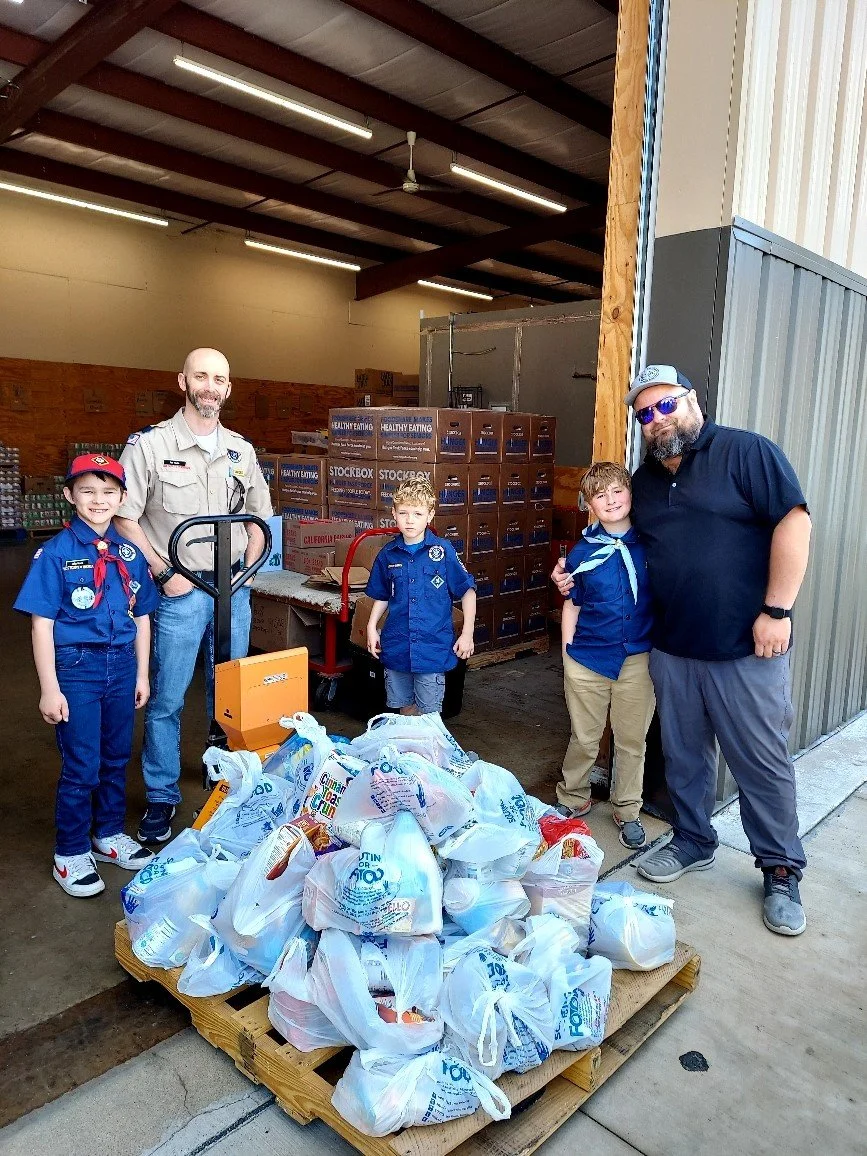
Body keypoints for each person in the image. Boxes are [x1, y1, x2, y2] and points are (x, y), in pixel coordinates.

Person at [553, 364, 812, 936]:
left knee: (760, 760)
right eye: (644, 413)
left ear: (693, 401)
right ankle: (694, 838)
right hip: (669, 649)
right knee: (685, 755)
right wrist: (569, 570)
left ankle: (780, 868)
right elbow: (614, 538)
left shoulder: (746, 453)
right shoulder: (642, 483)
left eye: (666, 404)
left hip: (745, 648)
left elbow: (794, 523)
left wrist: (778, 609)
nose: (657, 419)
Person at [116, 347, 273, 845]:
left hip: (233, 590)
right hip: (180, 591)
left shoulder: (240, 451)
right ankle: (162, 797)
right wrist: (164, 573)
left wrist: (248, 569)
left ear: (228, 388)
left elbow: (259, 516)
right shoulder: (149, 446)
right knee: (165, 699)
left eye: (220, 379)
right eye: (201, 376)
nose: (210, 386)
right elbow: (124, 516)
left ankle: (220, 770)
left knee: (229, 693)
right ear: (182, 381)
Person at [14, 455, 159, 897]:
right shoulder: (55, 553)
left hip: (122, 665)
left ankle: (108, 833)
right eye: (88, 491)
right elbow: (42, 623)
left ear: (122, 498)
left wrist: (142, 675)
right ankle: (71, 851)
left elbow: (143, 616)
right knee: (82, 764)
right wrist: (49, 688)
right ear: (69, 496)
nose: (99, 500)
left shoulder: (129, 552)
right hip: (77, 668)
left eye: (108, 492)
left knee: (117, 755)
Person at [557, 462, 655, 850]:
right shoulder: (580, 553)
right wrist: (567, 653)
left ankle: (627, 807)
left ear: (630, 494)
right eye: (600, 495)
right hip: (588, 657)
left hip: (638, 658)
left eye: (617, 491)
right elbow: (572, 603)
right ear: (589, 504)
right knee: (585, 736)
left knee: (632, 740)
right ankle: (572, 796)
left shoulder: (651, 543)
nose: (611, 500)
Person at [366, 478, 477, 716]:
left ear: (430, 516)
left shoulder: (443, 551)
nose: (409, 520)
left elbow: (467, 591)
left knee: (429, 714)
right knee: (404, 708)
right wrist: (372, 626)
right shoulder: (388, 554)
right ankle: (410, 752)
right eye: (403, 512)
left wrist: (467, 634)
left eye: (417, 513)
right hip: (397, 646)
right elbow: (382, 594)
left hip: (431, 647)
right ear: (393, 514)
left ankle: (430, 753)